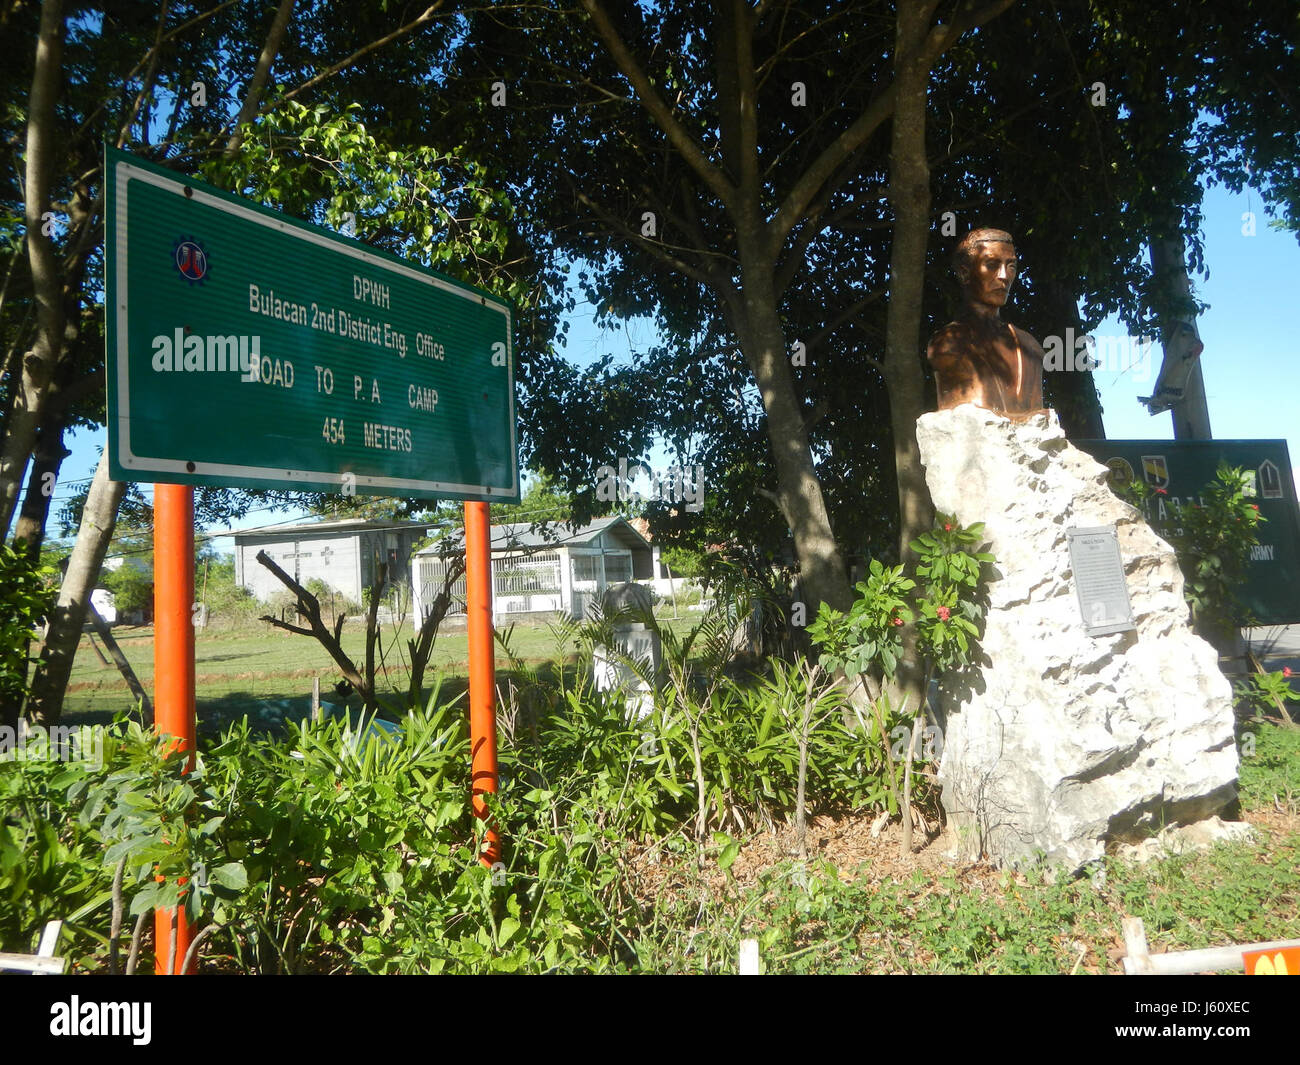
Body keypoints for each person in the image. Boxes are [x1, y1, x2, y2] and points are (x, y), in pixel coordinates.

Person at [927, 228, 1048, 418]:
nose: (1004, 276)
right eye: (992, 264)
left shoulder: (1030, 345)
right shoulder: (949, 343)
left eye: (1011, 266)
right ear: (964, 273)